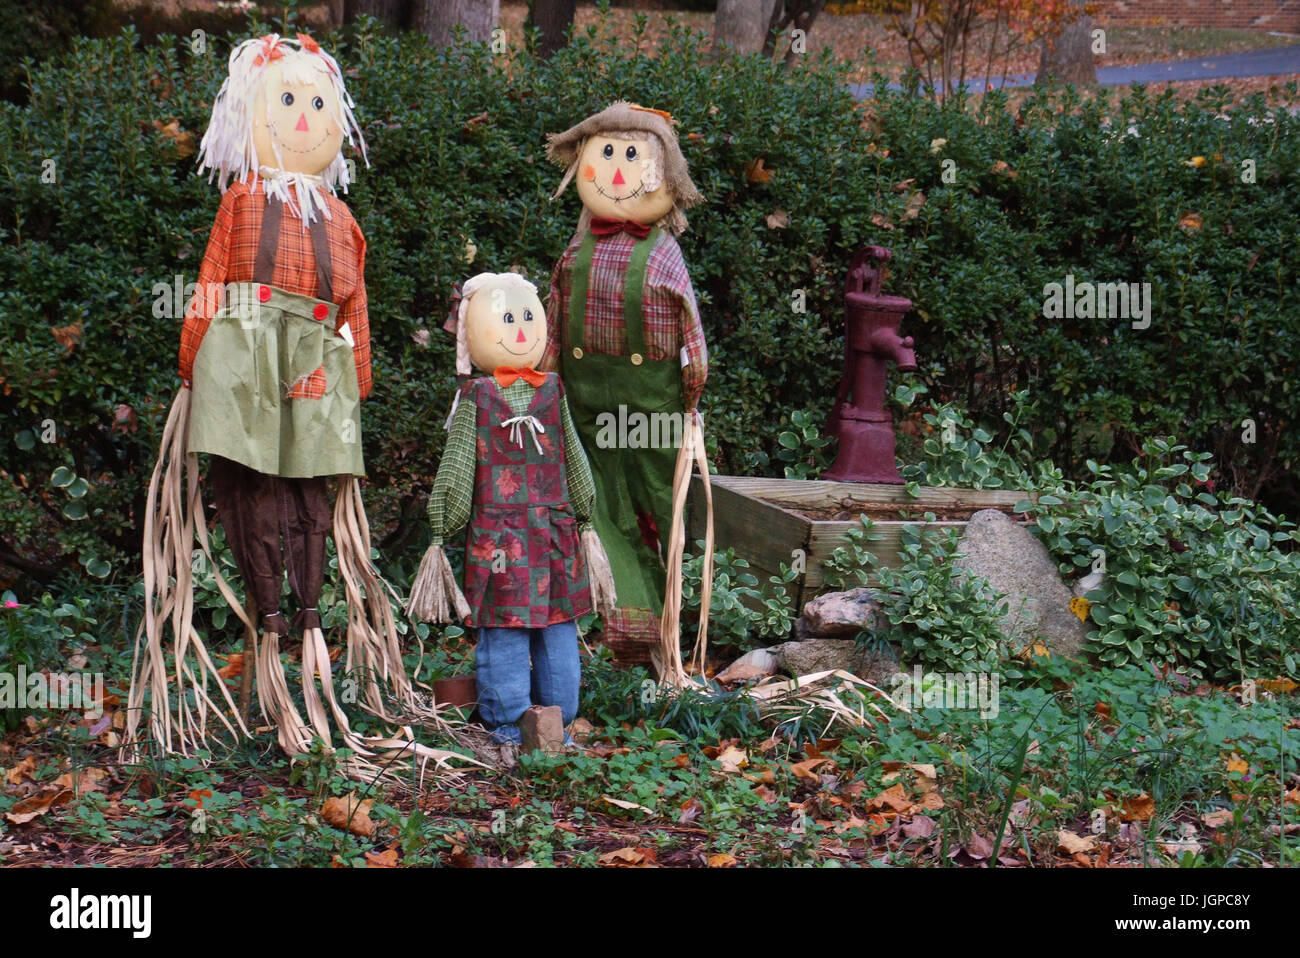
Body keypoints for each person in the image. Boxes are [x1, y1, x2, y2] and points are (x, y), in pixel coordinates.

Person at [410, 272, 615, 749]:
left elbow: (458, 471)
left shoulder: (479, 399)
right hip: (555, 530)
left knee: (505, 627)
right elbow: (575, 460)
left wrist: (442, 526)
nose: (522, 328)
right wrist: (584, 513)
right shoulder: (549, 391)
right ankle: (556, 724)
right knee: (557, 624)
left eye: (527, 316)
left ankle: (508, 728)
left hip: (499, 536)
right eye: (507, 319)